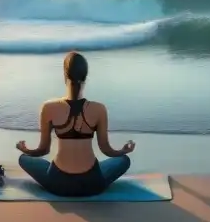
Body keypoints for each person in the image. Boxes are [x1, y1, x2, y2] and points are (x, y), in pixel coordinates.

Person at [14, 51, 135, 197]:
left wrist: (25, 149)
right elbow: (106, 150)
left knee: (24, 159)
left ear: (65, 75)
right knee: (123, 160)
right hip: (92, 183)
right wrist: (123, 150)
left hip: (58, 184)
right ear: (85, 77)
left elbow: (43, 150)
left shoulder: (48, 108)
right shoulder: (99, 109)